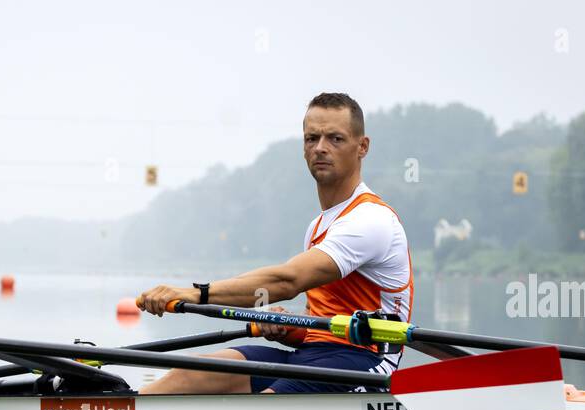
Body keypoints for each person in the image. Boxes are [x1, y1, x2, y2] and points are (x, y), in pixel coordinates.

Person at [137, 92, 413, 394]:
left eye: (335, 139)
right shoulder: (319, 226)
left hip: (367, 362)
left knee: (263, 407)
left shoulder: (371, 220)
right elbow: (322, 320)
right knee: (190, 375)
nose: (321, 148)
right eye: (312, 138)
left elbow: (288, 280)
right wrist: (289, 330)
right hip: (314, 355)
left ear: (362, 147)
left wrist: (194, 294)